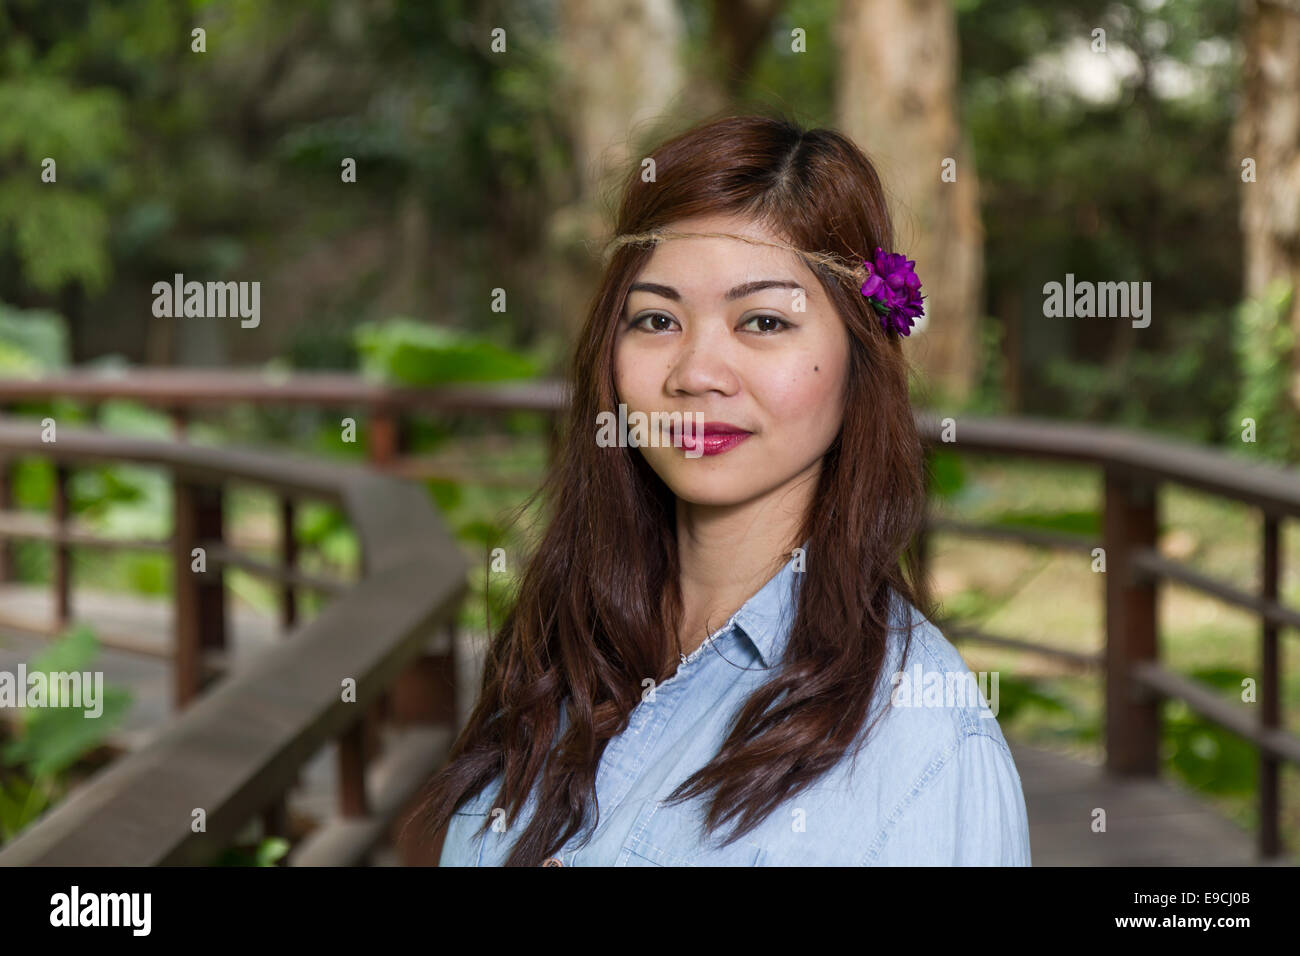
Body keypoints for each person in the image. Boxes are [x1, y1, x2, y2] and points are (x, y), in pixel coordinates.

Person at [417, 113, 1031, 866]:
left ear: (858, 356)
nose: (695, 371)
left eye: (764, 320)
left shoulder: (925, 745)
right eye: (655, 319)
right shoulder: (560, 654)